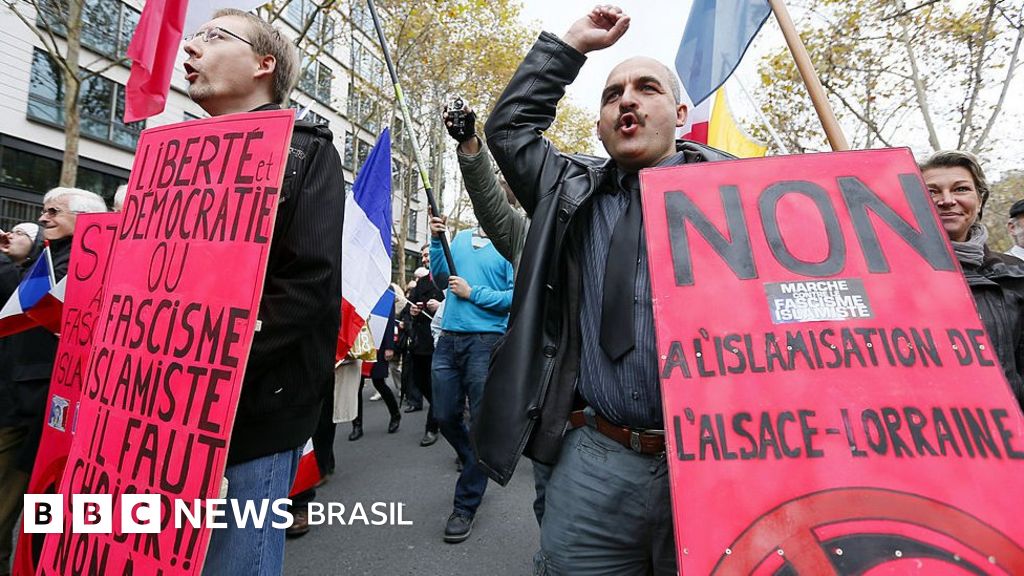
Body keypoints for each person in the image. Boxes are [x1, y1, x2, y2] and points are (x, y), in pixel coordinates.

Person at [477, 6, 735, 574]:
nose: (628, 100)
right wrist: (571, 45)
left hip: (715, 465)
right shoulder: (567, 189)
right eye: (612, 93)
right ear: (599, 125)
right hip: (596, 458)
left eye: (647, 88)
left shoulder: (737, 196)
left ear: (681, 113)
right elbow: (509, 128)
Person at [183, 9, 345, 575]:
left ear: (263, 64)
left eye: (213, 37)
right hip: (170, 408)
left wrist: (210, 357)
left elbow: (311, 283)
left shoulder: (306, 152)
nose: (192, 47)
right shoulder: (177, 154)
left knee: (235, 561)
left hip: (252, 408)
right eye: (194, 36)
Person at [0, 187, 107, 576]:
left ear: (85, 219)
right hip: (24, 396)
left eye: (54, 211)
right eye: (43, 211)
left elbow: (32, 305)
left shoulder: (82, 262)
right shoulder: (43, 259)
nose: (44, 218)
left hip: (44, 405)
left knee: (40, 502)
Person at [429, 211, 514, 543]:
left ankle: (465, 505)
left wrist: (472, 293)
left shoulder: (510, 245)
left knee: (479, 423)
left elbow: (515, 297)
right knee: (443, 414)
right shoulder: (461, 240)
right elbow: (441, 279)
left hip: (485, 342)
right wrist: (438, 241)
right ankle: (473, 460)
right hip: (448, 338)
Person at [921, 151, 1024, 407]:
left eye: (961, 189)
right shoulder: (886, 283)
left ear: (980, 199)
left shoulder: (1016, 275)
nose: (946, 200)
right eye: (931, 191)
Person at [405, 265, 444, 446]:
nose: (427, 258)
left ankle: (432, 427)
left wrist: (441, 307)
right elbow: (408, 308)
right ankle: (440, 409)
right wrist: (412, 312)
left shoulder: (448, 278)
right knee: (421, 382)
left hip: (439, 342)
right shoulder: (420, 283)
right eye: (425, 255)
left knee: (436, 385)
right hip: (419, 342)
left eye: (429, 254)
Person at [348, 308, 401, 441]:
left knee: (379, 383)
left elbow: (389, 320)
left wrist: (389, 346)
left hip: (378, 344)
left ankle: (395, 414)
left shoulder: (385, 291)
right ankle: (357, 425)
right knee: (356, 387)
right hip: (359, 343)